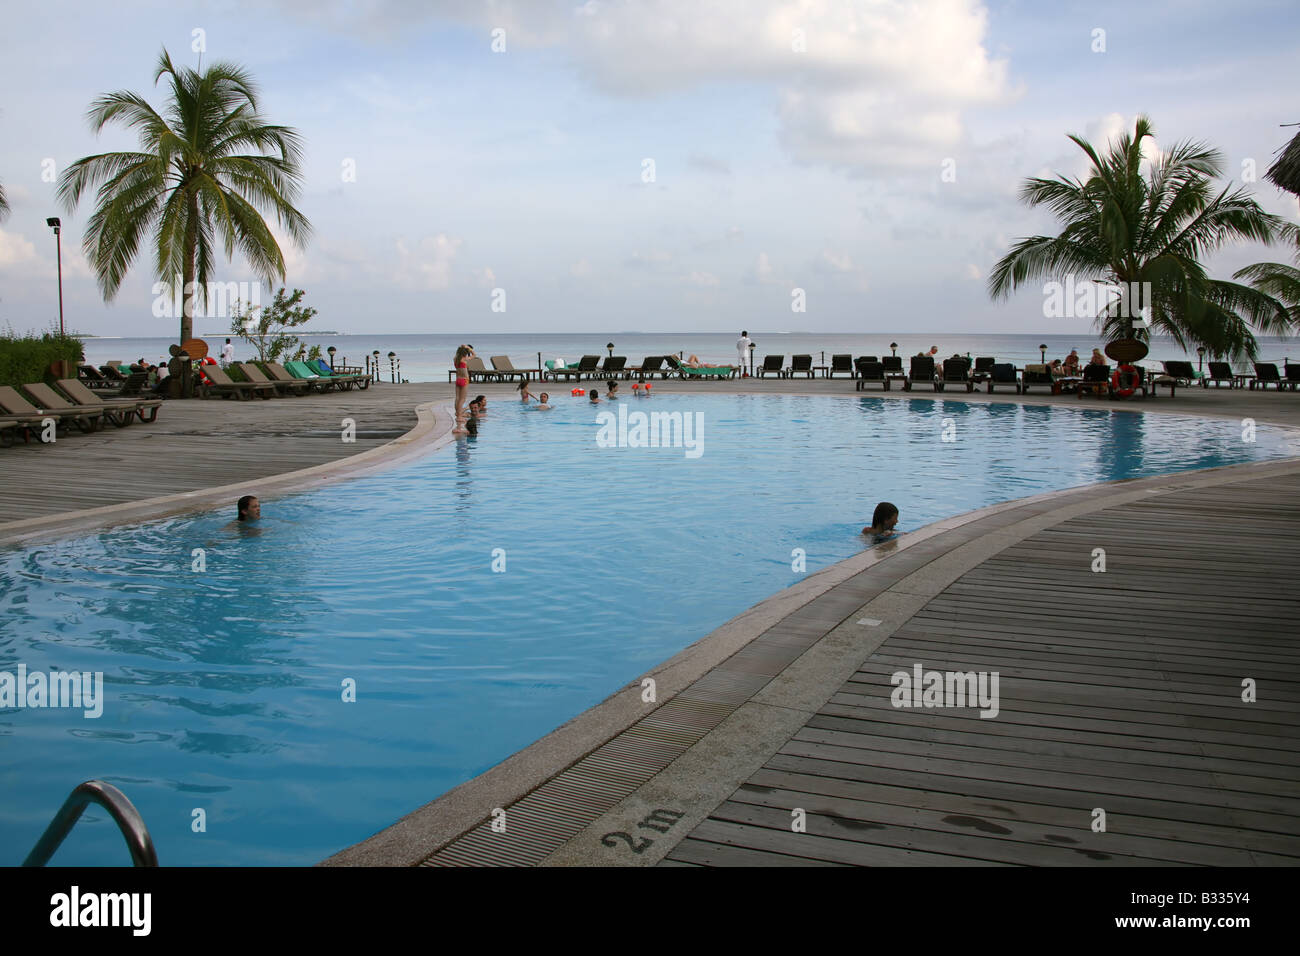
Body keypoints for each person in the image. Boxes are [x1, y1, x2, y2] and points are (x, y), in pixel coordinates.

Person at [453, 345, 472, 434]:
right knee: (462, 399)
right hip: (464, 380)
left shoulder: (455, 359)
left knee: (457, 398)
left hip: (458, 379)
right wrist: (468, 348)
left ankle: (457, 413)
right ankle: (459, 416)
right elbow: (474, 355)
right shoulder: (464, 359)